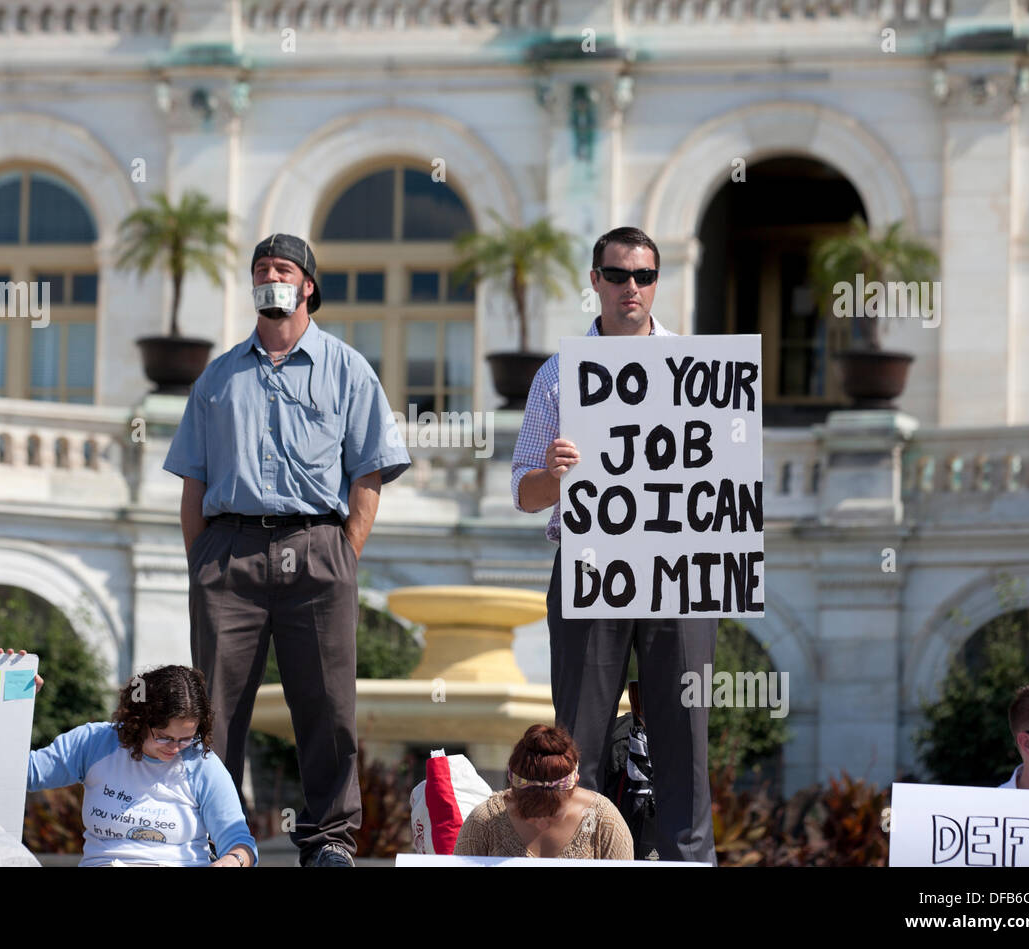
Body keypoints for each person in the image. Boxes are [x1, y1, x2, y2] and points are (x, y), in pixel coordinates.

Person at [164, 234, 410, 867]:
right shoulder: (218, 377)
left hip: (318, 546)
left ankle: (329, 840)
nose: (269, 276)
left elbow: (368, 473)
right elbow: (193, 482)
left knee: (329, 706)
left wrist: (343, 553)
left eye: (282, 268)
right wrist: (204, 565)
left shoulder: (349, 369)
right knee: (213, 709)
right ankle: (220, 839)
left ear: (307, 286)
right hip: (229, 553)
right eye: (260, 269)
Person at [510, 225, 718, 864]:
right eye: (619, 275)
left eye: (645, 276)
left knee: (685, 734)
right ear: (595, 280)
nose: (632, 287)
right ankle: (582, 859)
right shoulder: (557, 374)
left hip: (679, 567)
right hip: (589, 564)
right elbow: (525, 492)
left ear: (657, 283)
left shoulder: (697, 367)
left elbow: (724, 474)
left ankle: (689, 861)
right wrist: (555, 472)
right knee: (580, 737)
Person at [26, 664, 258, 866]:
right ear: (139, 721)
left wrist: (233, 860)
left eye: (186, 738)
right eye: (164, 737)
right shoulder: (94, 743)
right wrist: (13, 707)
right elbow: (23, 774)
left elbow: (239, 840)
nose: (175, 748)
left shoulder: (201, 762)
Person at [454, 724, 633, 859]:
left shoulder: (604, 822)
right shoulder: (484, 822)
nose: (541, 824)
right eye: (529, 814)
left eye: (553, 814)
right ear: (511, 787)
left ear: (576, 782)